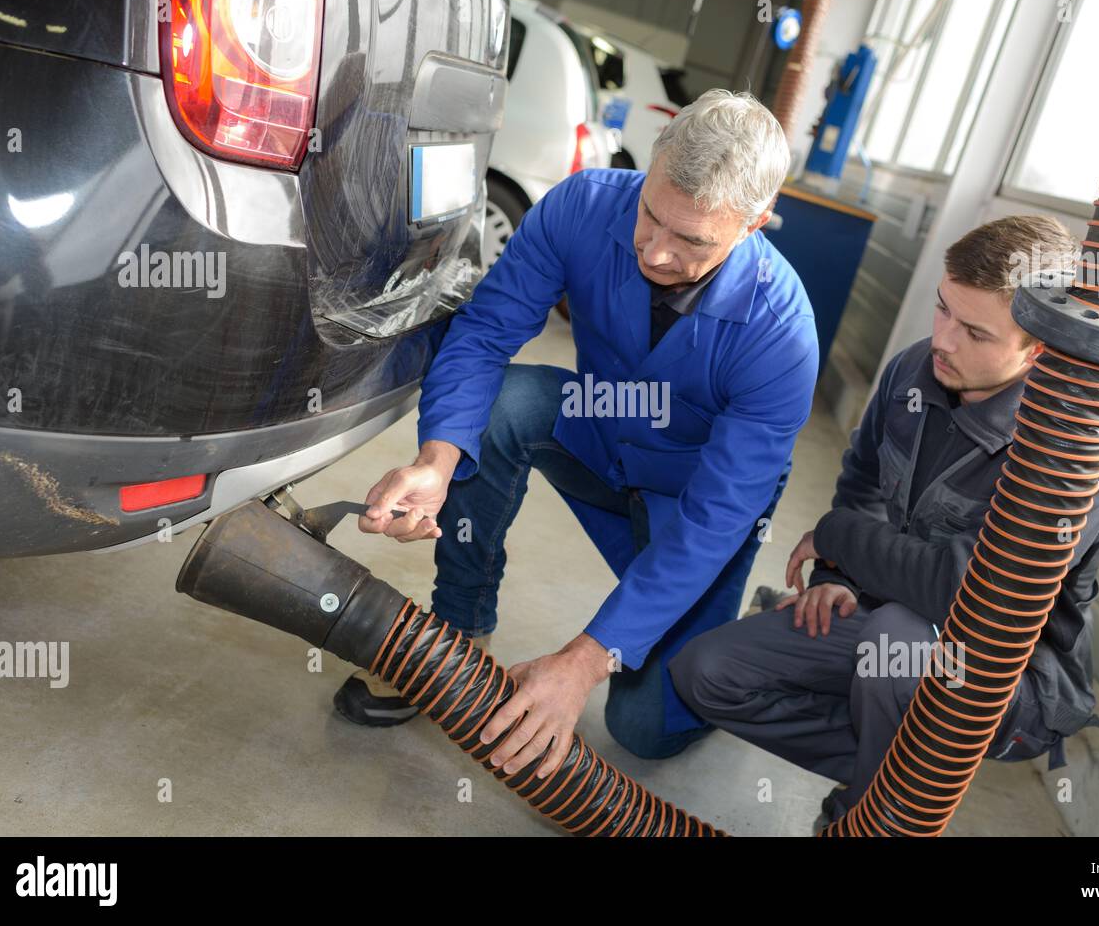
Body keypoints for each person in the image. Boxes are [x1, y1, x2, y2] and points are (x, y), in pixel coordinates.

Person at [336, 90, 820, 780]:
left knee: (642, 728)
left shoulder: (782, 336)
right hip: (603, 432)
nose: (655, 250)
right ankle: (460, 630)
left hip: (691, 502)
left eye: (693, 241)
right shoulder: (582, 206)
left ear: (757, 223)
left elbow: (717, 518)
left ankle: (755, 641)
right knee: (503, 406)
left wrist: (583, 661)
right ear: (650, 163)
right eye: (652, 214)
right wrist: (437, 461)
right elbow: (484, 334)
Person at [670, 215, 1099, 828]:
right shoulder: (916, 370)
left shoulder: (1080, 453)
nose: (943, 339)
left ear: (1039, 347)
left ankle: (866, 813)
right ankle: (889, 771)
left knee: (896, 639)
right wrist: (840, 576)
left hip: (1006, 678)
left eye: (975, 332)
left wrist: (837, 539)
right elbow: (862, 479)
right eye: (943, 309)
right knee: (704, 674)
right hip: (890, 613)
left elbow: (973, 593)